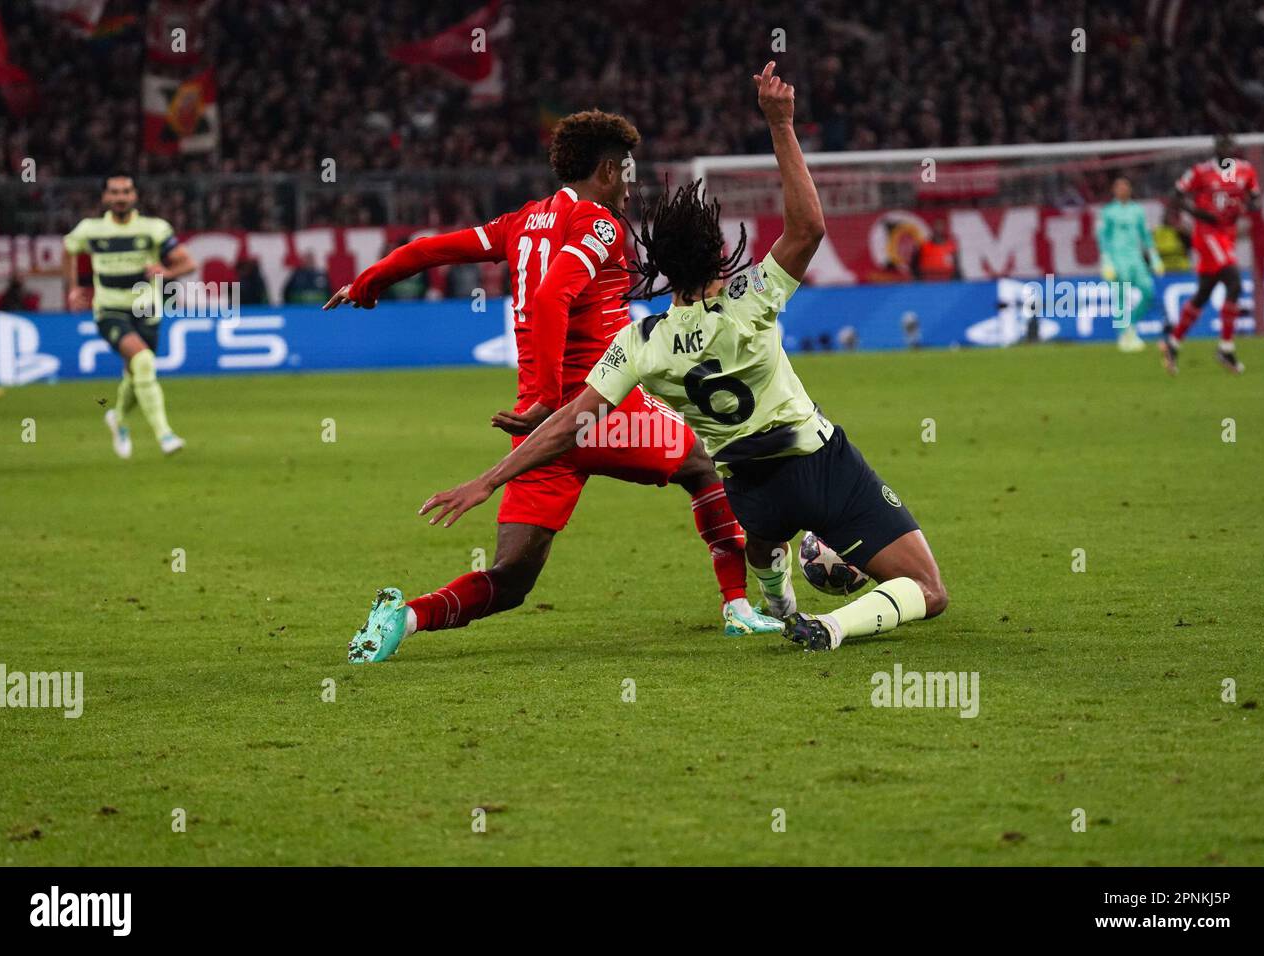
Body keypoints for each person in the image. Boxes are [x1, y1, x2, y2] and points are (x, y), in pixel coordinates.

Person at [419, 62, 948, 653]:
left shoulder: (641, 342)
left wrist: (489, 481)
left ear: (659, 264)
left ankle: (777, 600)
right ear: (723, 252)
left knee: (764, 537)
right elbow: (808, 227)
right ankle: (832, 625)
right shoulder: (752, 301)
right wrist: (781, 124)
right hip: (814, 463)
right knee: (926, 589)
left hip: (750, 494)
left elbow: (570, 423)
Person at [328, 110, 782, 662]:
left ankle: (406, 618)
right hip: (601, 409)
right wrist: (549, 395)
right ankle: (738, 608)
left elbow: (429, 249)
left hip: (535, 430)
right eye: (630, 171)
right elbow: (550, 298)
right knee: (705, 462)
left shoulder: (521, 222)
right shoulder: (599, 224)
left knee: (512, 576)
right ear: (610, 170)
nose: (633, 185)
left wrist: (368, 282)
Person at [63, 173, 194, 458]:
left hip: (146, 308)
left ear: (134, 196)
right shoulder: (91, 230)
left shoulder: (153, 229)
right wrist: (73, 288)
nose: (120, 197)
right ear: (105, 198)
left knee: (137, 372)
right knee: (143, 360)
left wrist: (168, 272)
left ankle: (118, 418)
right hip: (109, 309)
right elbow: (69, 248)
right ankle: (165, 435)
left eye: (126, 192)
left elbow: (188, 263)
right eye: (114, 192)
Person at [1162, 135, 1260, 374]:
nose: (1225, 150)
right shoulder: (1200, 172)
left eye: (1229, 146)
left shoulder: (1246, 171)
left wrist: (1248, 207)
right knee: (1234, 283)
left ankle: (1173, 342)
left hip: (1228, 234)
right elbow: (1175, 195)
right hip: (1207, 234)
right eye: (1221, 146)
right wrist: (1198, 213)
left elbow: (1255, 198)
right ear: (1215, 150)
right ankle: (1226, 348)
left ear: (1234, 149)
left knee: (1204, 292)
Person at [1098, 176, 1163, 353]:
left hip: (1136, 258)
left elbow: (1146, 235)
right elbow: (1103, 237)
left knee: (1148, 292)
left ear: (1130, 189)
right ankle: (1124, 335)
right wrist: (1106, 261)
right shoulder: (1108, 212)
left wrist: (1154, 257)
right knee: (1120, 298)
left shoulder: (1138, 211)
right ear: (1114, 190)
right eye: (1119, 187)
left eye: (1125, 186)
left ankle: (1131, 325)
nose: (1122, 190)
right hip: (1117, 258)